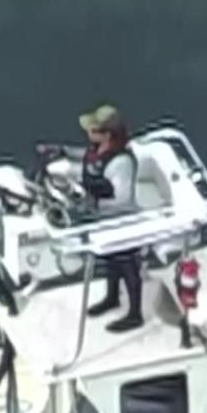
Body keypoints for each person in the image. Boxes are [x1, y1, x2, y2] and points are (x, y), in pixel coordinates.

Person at [62, 104, 146, 333]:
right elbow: (85, 158)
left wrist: (93, 199)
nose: (88, 133)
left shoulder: (121, 163)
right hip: (104, 220)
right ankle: (112, 297)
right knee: (110, 260)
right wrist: (62, 151)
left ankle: (135, 313)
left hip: (122, 221)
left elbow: (122, 199)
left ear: (107, 134)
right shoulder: (98, 150)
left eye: (93, 130)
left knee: (127, 265)